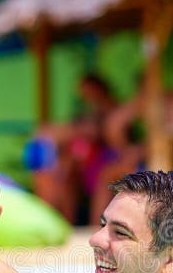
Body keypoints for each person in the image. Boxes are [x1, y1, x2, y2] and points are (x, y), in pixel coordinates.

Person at [89, 86, 173, 225]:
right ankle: (99, 227)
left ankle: (99, 227)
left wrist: (140, 151)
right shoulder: (154, 104)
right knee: (107, 174)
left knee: (110, 175)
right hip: (153, 164)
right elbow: (113, 127)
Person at [24, 73, 118, 223]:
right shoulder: (90, 113)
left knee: (49, 145)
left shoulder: (109, 111)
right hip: (83, 162)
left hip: (100, 162)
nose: (84, 96)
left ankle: (54, 219)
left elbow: (99, 133)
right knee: (60, 170)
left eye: (87, 91)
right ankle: (57, 219)